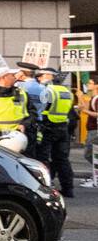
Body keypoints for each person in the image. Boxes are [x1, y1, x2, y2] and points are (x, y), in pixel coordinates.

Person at [37, 68, 76, 198]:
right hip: (63, 127)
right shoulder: (67, 92)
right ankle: (68, 188)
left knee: (44, 158)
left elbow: (43, 108)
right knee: (62, 159)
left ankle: (46, 187)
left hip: (48, 126)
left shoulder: (48, 91)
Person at [81, 79, 98, 188]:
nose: (88, 85)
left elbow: (96, 114)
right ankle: (95, 176)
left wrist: (85, 111)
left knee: (89, 154)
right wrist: (80, 97)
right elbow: (86, 108)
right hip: (92, 129)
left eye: (90, 83)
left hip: (95, 129)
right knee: (92, 154)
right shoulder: (94, 98)